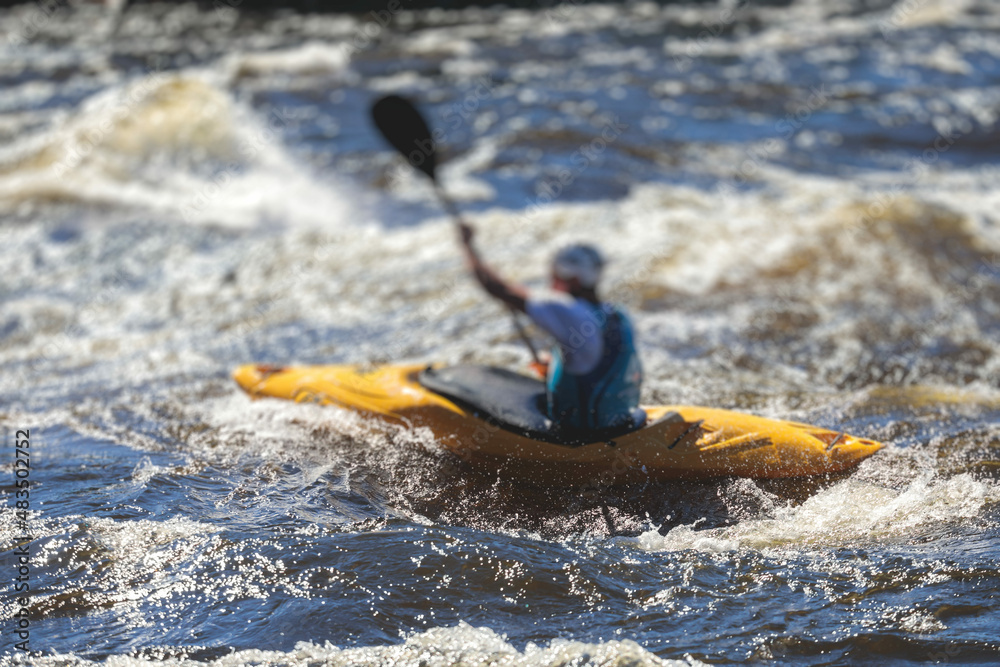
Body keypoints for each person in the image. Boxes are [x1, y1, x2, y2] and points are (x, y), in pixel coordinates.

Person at [458, 223, 644, 434]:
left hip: (583, 435)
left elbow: (498, 289)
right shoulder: (617, 314)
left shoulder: (566, 309)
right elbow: (598, 361)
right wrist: (553, 366)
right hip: (620, 421)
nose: (550, 280)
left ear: (571, 279)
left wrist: (467, 245)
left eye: (554, 274)